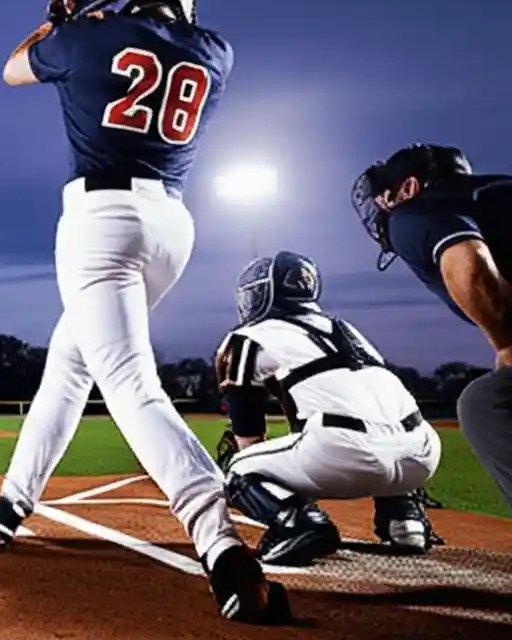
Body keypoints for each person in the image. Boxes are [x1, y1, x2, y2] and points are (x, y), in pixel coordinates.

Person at [0, 0, 289, 624]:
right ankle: (13, 500)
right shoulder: (215, 51)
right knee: (70, 363)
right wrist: (90, 24)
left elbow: (11, 68)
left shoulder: (85, 38)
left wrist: (57, 22)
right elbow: (152, 40)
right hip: (171, 227)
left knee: (128, 383)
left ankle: (219, 541)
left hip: (100, 224)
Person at [212, 251, 444, 566]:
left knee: (240, 468)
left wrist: (255, 464)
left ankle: (299, 525)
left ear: (262, 294)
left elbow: (247, 430)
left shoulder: (248, 336)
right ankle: (405, 522)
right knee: (380, 428)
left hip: (346, 454)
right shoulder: (346, 329)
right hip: (422, 454)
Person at [351, 143, 512, 510]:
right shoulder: (494, 192)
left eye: (385, 196)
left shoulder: (413, 213)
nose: (381, 208)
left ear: (408, 188)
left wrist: (505, 344)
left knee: (487, 403)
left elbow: (469, 264)